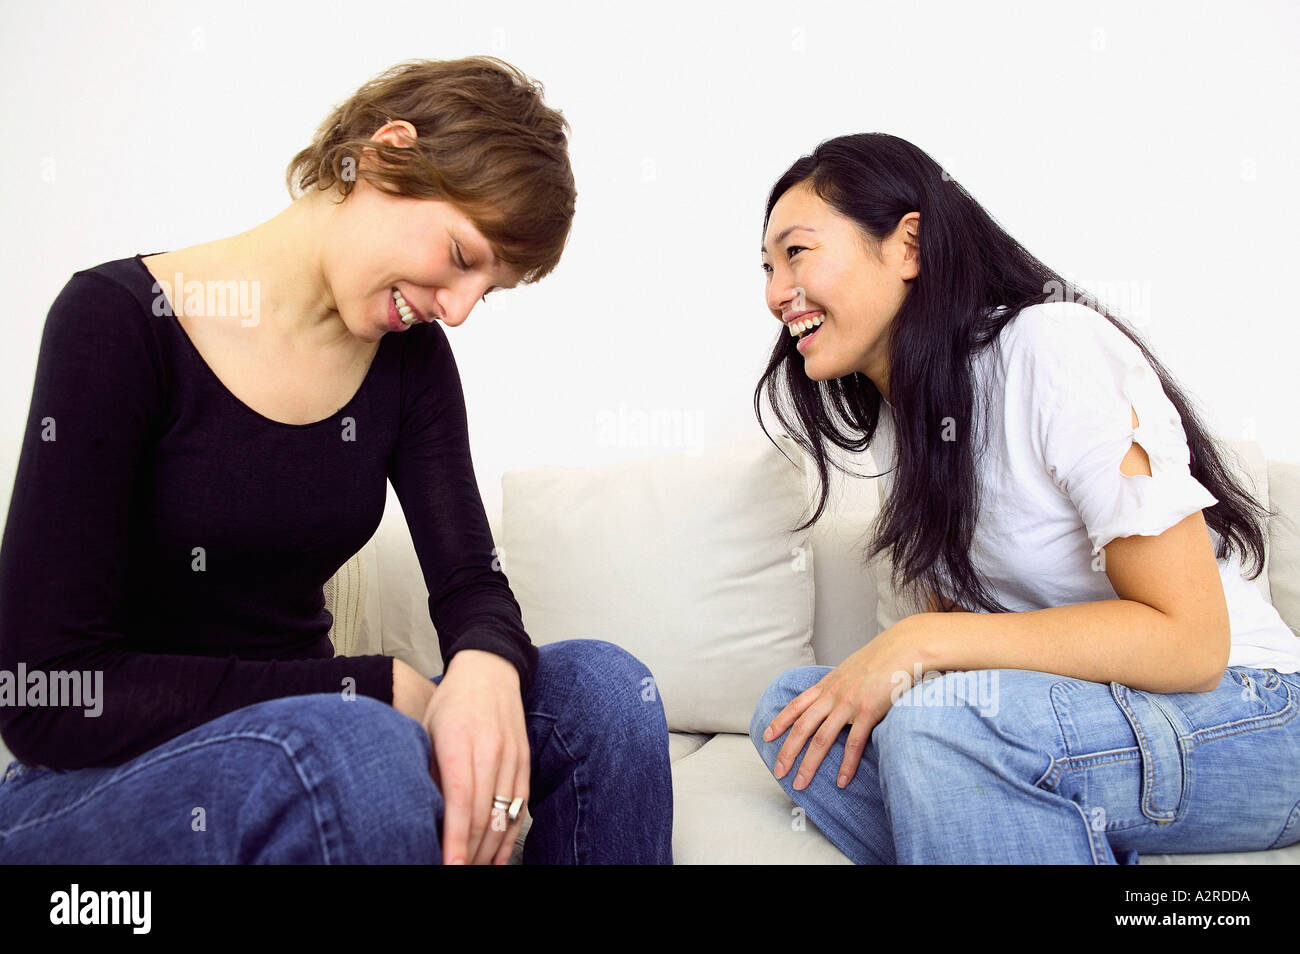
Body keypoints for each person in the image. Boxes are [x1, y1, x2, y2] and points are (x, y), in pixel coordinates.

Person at [0, 56, 672, 865]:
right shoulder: (116, 323)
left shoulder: (408, 360)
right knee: (358, 746)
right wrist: (372, 689)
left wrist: (486, 662)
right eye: (463, 256)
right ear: (386, 154)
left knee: (603, 692)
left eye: (485, 292)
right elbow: (46, 694)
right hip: (104, 780)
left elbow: (468, 579)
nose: (457, 312)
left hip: (328, 738)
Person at [748, 132, 1300, 864]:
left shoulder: (1052, 347)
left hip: (1250, 710)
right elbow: (979, 638)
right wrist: (929, 654)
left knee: (938, 728)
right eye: (765, 267)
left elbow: (1192, 645)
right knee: (794, 713)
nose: (776, 292)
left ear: (908, 246)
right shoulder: (902, 416)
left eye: (797, 253)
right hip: (1082, 719)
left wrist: (918, 642)